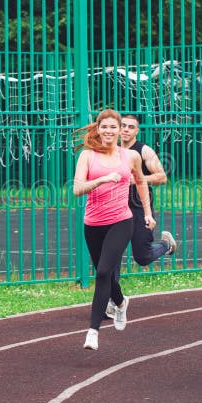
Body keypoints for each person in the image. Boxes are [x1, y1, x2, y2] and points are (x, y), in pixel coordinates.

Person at [73, 109, 156, 350]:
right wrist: (101, 180)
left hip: (121, 220)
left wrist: (148, 214)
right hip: (93, 223)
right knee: (105, 273)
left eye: (113, 127)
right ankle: (120, 302)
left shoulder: (130, 157)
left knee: (102, 273)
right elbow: (77, 189)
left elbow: (140, 182)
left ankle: (93, 331)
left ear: (120, 130)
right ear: (98, 129)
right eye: (104, 127)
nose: (109, 131)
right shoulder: (88, 156)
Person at [104, 115, 177, 319]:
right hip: (114, 208)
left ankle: (166, 245)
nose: (126, 130)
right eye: (123, 126)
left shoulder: (144, 150)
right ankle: (111, 300)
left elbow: (162, 176)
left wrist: (136, 178)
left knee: (142, 256)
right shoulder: (110, 150)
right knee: (112, 256)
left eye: (130, 127)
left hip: (137, 208)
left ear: (137, 131)